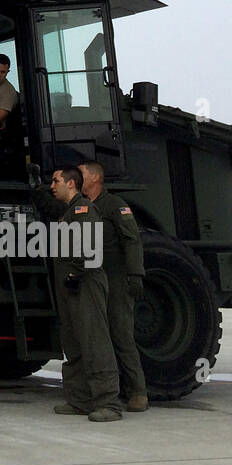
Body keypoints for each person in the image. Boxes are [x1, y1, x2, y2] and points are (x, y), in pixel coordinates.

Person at [48, 167, 122, 422]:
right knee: (74, 342)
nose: (52, 186)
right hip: (71, 284)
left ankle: (109, 403)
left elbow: (88, 246)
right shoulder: (69, 212)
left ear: (71, 184)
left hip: (85, 283)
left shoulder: (84, 210)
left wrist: (75, 273)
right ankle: (80, 400)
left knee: (94, 342)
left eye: (56, 181)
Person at [80, 160, 147, 411]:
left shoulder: (114, 205)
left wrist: (135, 274)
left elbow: (132, 240)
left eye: (82, 173)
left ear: (96, 178)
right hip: (94, 281)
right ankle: (108, 390)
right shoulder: (82, 207)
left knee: (121, 335)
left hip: (117, 279)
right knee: (99, 338)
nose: (78, 177)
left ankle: (138, 391)